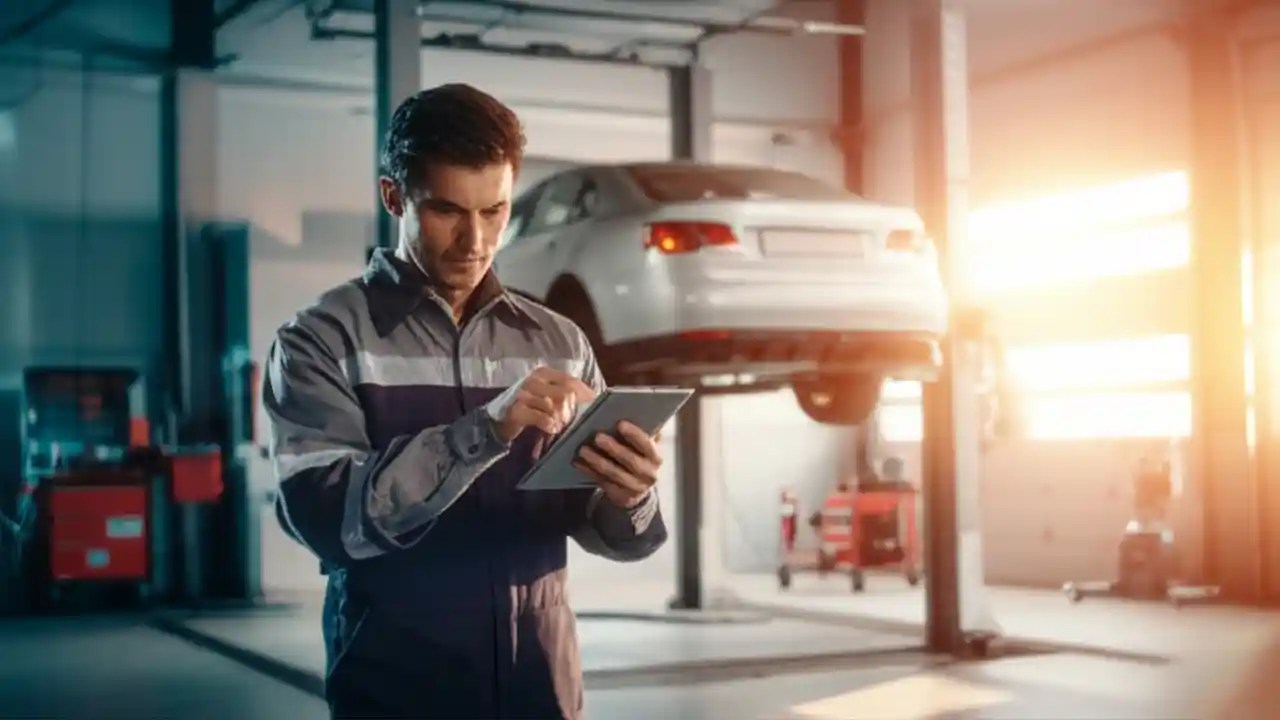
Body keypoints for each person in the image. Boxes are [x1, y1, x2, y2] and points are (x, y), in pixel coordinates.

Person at [263, 83, 668, 720]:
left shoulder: (559, 341)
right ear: (394, 196)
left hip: (540, 685)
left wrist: (630, 495)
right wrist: (483, 431)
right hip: (395, 688)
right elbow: (325, 518)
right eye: (447, 211)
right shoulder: (322, 339)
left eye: (496, 211)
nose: (474, 241)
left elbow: (609, 532)